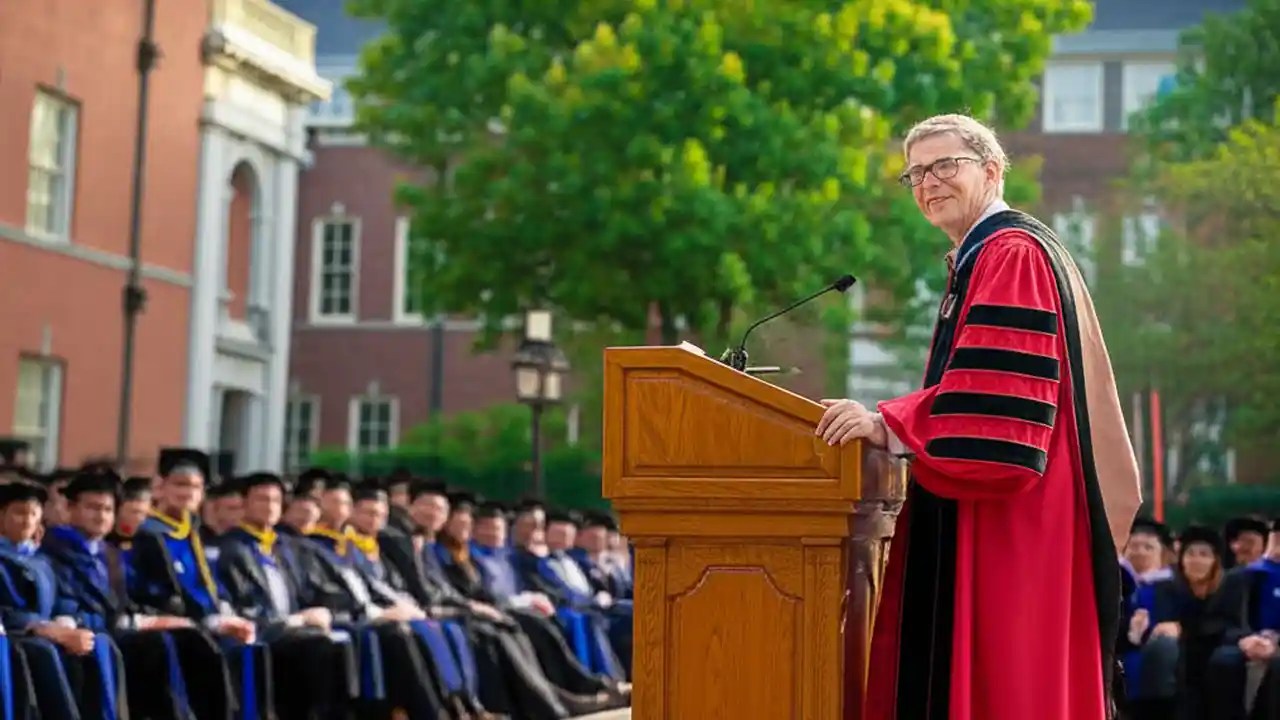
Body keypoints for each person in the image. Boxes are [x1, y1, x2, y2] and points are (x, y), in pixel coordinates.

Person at [817, 113, 1142, 720]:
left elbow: (995, 412)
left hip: (1008, 518)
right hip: (1018, 510)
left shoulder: (1011, 254)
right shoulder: (990, 254)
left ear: (991, 171)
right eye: (915, 172)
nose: (928, 182)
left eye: (945, 166)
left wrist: (886, 423)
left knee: (1002, 678)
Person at [1204, 518, 1280, 720]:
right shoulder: (1242, 577)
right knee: (1224, 661)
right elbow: (1216, 621)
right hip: (1245, 644)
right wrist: (1244, 639)